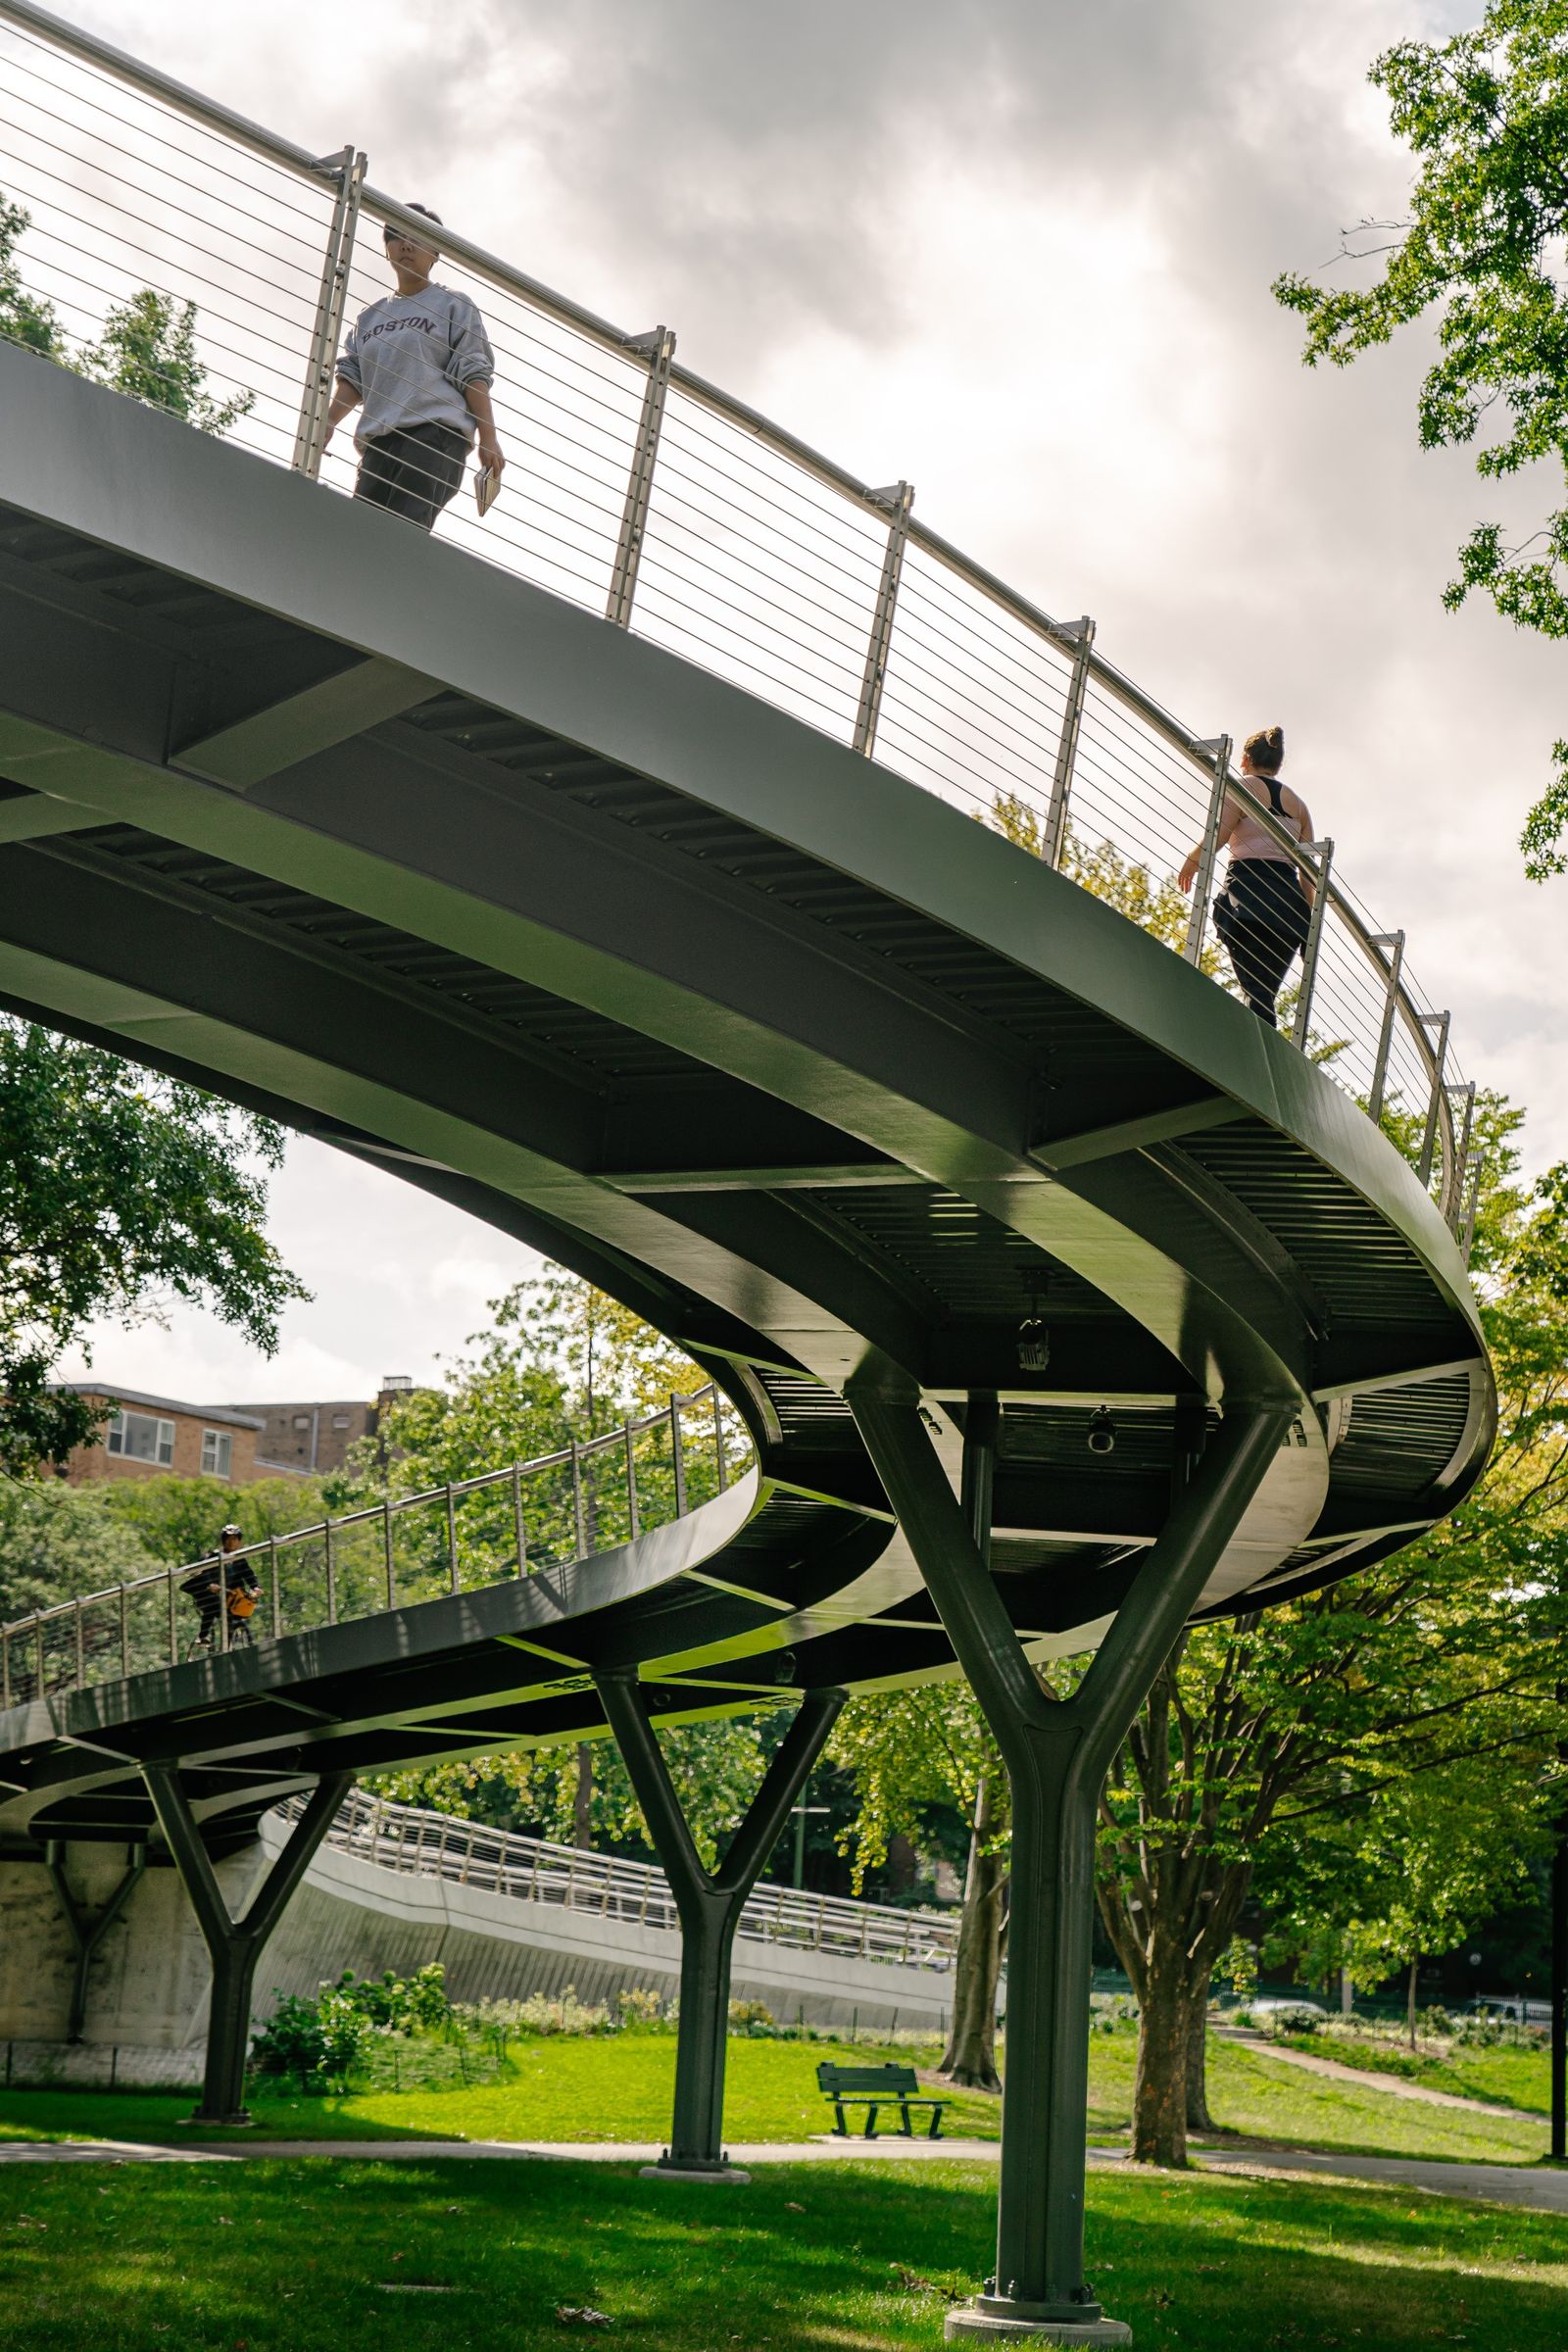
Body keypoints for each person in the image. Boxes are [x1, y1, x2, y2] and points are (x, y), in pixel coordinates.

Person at [323, 204, 505, 531]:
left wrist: (488, 438)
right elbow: (354, 378)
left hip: (434, 435)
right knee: (361, 536)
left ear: (436, 252)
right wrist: (327, 422)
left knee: (402, 533)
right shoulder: (370, 317)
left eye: (416, 238)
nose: (405, 244)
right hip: (379, 441)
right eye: (395, 237)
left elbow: (473, 373)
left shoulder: (453, 304)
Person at [1178, 723, 1315, 1027]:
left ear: (1245, 759)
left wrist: (1191, 861)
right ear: (1278, 766)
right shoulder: (1300, 806)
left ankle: (1264, 1064)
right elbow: (1308, 875)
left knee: (1258, 998)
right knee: (1261, 996)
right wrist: (1309, 928)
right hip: (1288, 909)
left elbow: (1217, 836)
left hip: (1247, 898)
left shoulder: (1243, 787)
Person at [181, 1523, 260, 1653]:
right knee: (212, 1605)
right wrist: (210, 1585)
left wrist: (256, 1588)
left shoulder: (239, 1559)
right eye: (229, 1539)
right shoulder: (213, 1556)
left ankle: (229, 1647)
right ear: (223, 1541)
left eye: (235, 1539)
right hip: (209, 1596)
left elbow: (249, 1575)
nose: (232, 1542)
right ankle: (203, 1636)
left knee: (235, 1616)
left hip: (230, 1597)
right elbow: (203, 1572)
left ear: (239, 1542)